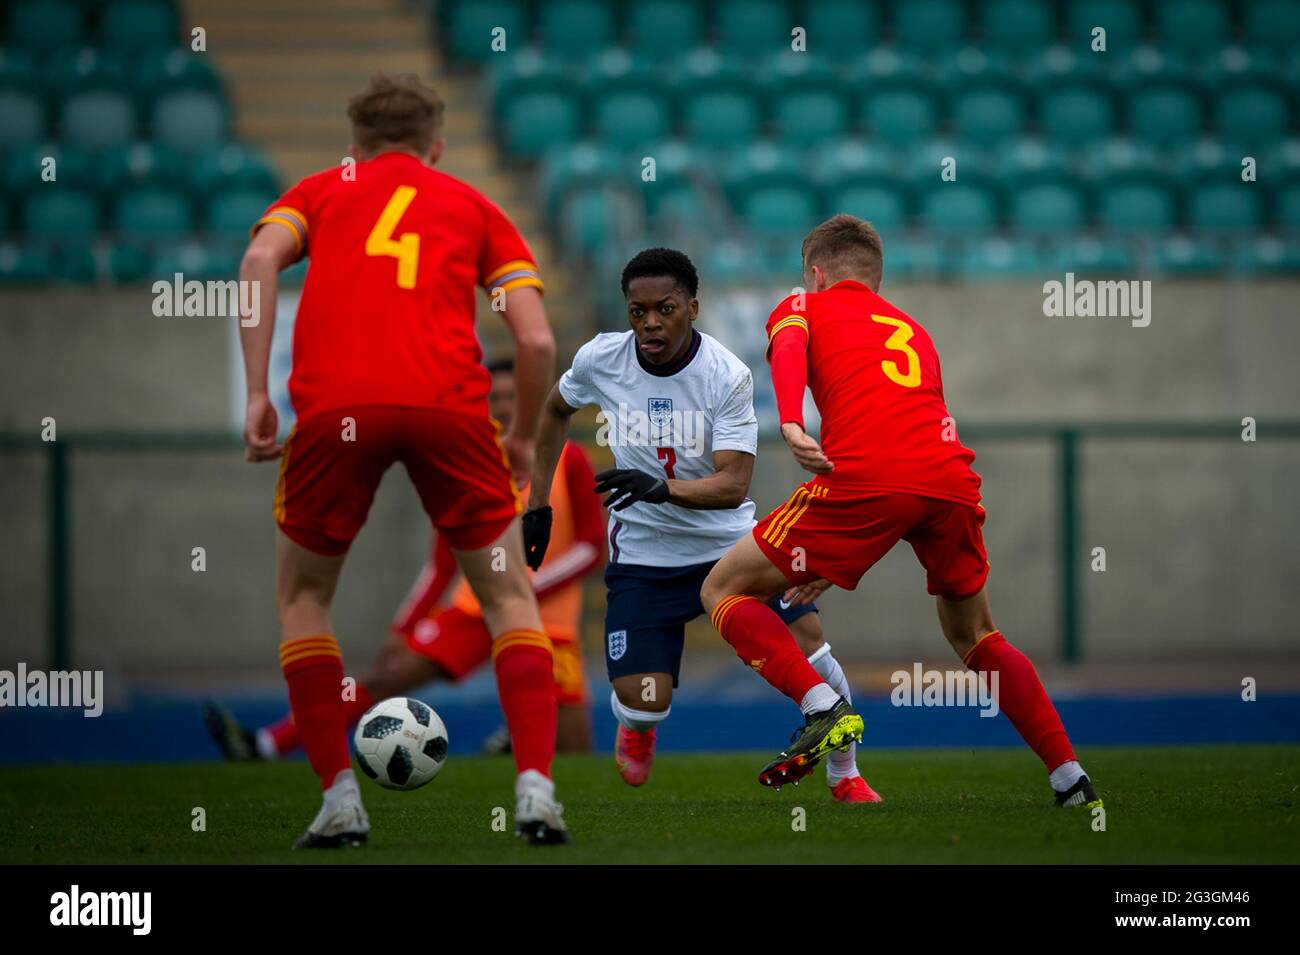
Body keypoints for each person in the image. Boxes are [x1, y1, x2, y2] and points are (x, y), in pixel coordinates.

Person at [236, 73, 568, 847]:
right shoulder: (475, 207)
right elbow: (540, 339)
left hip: (333, 413)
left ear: (356, 144)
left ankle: (340, 800)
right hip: (449, 410)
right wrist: (520, 435)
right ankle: (536, 792)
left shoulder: (320, 191)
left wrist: (259, 392)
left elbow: (257, 265)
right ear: (437, 146)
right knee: (509, 598)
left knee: (305, 599)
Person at [700, 214, 1101, 808]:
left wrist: (788, 420)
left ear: (815, 273)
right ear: (875, 276)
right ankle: (1069, 778)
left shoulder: (802, 305)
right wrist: (828, 557)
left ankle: (821, 706)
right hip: (950, 482)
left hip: (865, 477)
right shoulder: (914, 330)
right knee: (977, 635)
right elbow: (906, 449)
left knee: (723, 590)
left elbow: (787, 345)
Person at [525, 247, 879, 803]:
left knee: (812, 646)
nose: (649, 323)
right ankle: (639, 730)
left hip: (727, 546)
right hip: (644, 554)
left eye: (663, 309)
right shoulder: (600, 360)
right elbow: (552, 411)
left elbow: (733, 484)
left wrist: (659, 487)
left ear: (691, 306)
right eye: (637, 312)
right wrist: (537, 504)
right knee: (645, 701)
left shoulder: (727, 374)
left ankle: (846, 775)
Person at [205, 360, 603, 761]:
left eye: (512, 397)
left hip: (548, 620)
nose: (503, 407)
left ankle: (516, 748)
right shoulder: (474, 466)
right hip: (476, 608)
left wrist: (526, 589)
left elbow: (591, 547)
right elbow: (442, 563)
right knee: (386, 676)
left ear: (531, 401)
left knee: (574, 750)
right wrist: (405, 626)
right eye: (493, 398)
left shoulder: (568, 459)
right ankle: (266, 746)